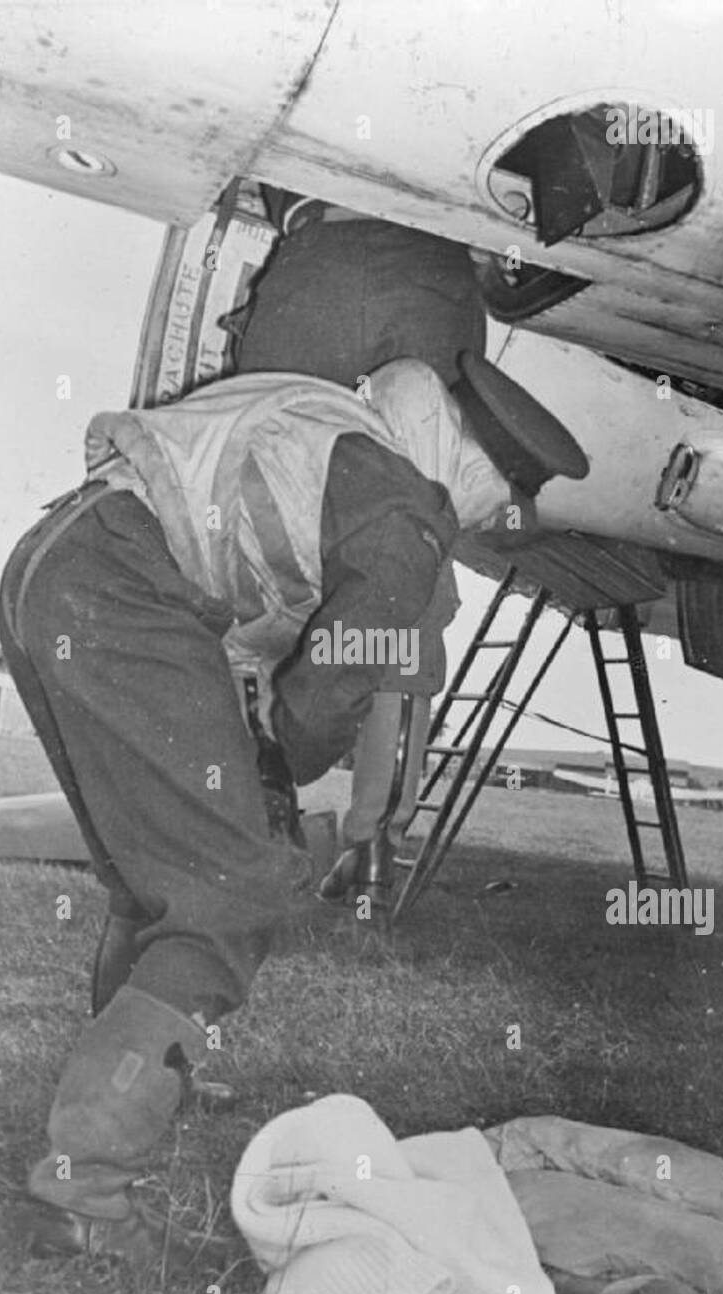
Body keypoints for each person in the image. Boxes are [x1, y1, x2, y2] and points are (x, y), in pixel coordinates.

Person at [0, 350, 585, 1260]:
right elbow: (331, 681)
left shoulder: (334, 419)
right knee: (232, 894)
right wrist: (278, 769)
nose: (474, 525)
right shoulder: (403, 509)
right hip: (119, 589)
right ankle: (86, 1197)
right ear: (474, 467)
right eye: (491, 505)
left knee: (154, 882)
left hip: (53, 567)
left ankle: (144, 1080)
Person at [233, 185, 489, 908]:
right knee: (411, 559)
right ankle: (374, 841)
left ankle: (252, 811)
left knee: (266, 518)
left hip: (319, 263)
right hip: (435, 274)